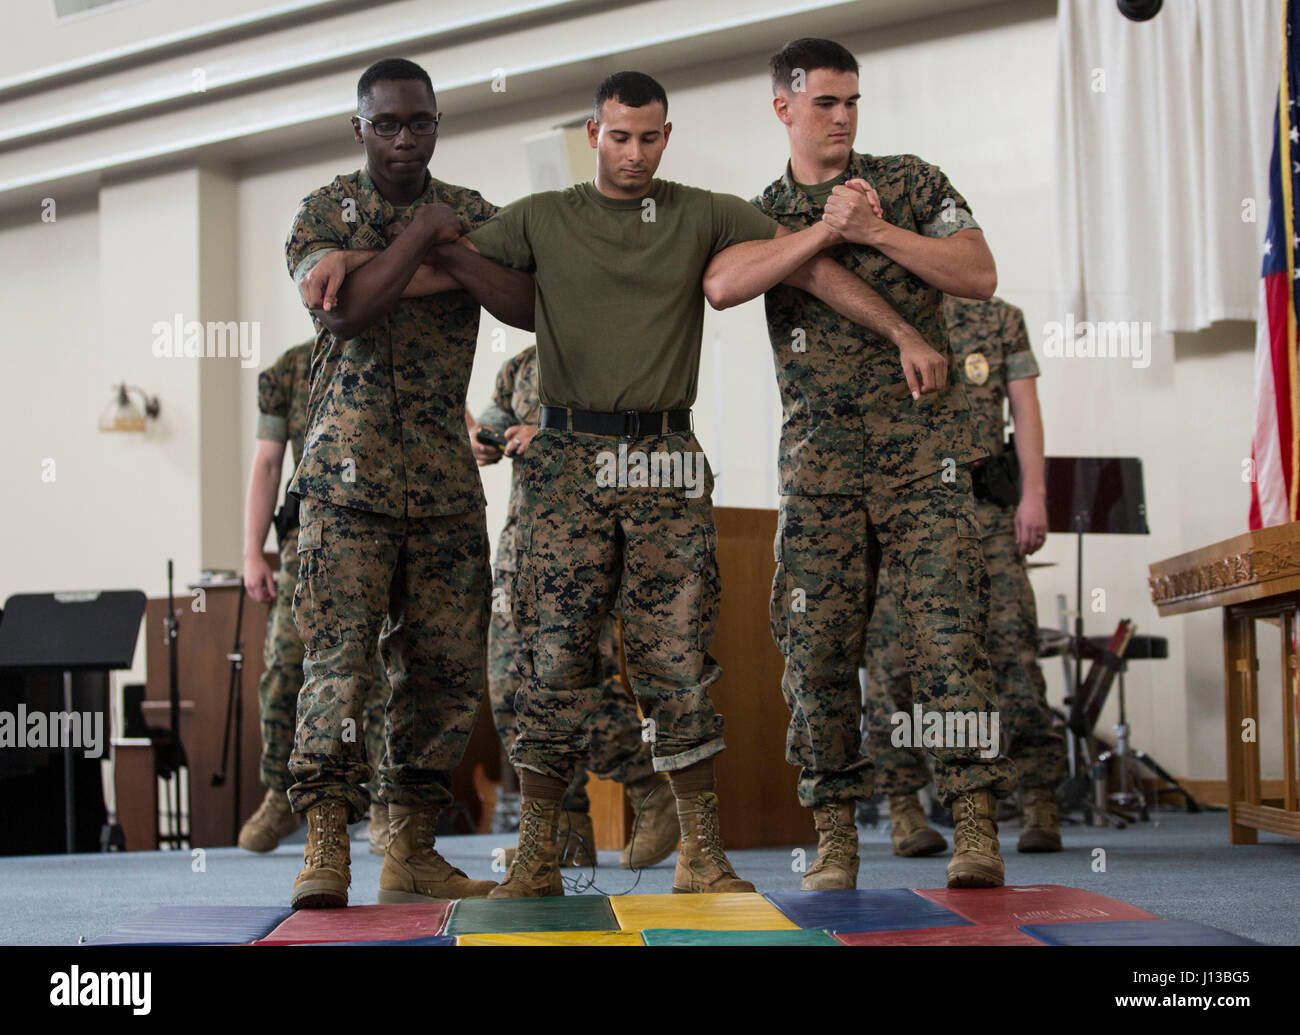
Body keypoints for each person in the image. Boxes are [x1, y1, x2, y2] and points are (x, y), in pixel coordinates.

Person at [752, 37, 1018, 890]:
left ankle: (973, 820)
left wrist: (875, 229)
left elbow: (977, 273)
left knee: (949, 641)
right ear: (784, 107)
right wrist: (820, 239)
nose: (842, 117)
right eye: (824, 102)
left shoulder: (909, 181)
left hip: (923, 462)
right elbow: (723, 284)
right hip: (820, 472)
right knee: (818, 652)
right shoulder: (758, 211)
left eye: (852, 101)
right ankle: (836, 836)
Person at [283, 57, 534, 909]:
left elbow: (527, 301)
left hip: (441, 480)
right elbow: (344, 311)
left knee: (445, 669)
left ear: (436, 123)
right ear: (359, 128)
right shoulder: (322, 211)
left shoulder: (474, 212)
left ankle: (412, 847)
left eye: (418, 122)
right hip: (344, 483)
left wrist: (424, 249)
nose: (402, 138)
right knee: (339, 666)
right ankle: (325, 839)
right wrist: (429, 239)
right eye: (385, 124)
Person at [863, 295, 1066, 855]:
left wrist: (1034, 497)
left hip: (987, 511)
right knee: (891, 656)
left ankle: (1038, 798)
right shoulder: (879, 307)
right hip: (899, 511)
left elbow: (1025, 408)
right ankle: (905, 806)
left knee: (1010, 648)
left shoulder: (999, 318)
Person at [470, 347, 680, 870]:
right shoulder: (518, 365)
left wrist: (554, 437)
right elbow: (497, 413)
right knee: (509, 692)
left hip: (588, 546)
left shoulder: (604, 353)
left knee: (579, 690)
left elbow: (634, 440)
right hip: (521, 550)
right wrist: (486, 438)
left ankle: (649, 788)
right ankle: (566, 827)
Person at [239, 340, 388, 856]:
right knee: (284, 666)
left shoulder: (398, 344)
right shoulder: (287, 371)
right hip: (309, 542)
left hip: (385, 533)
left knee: (383, 675)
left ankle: (385, 803)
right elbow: (266, 463)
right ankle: (281, 797)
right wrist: (252, 553)